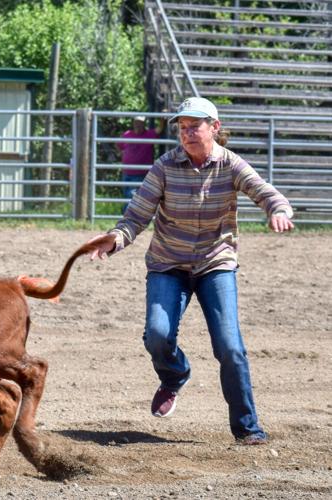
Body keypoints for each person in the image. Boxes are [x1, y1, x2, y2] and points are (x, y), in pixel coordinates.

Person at [84, 97, 293, 445]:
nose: (187, 133)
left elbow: (265, 193)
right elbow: (136, 215)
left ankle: (247, 428)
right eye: (183, 127)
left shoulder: (231, 165)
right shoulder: (164, 167)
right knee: (157, 335)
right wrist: (116, 239)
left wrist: (278, 210)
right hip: (168, 264)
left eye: (195, 126)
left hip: (215, 264)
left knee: (230, 347)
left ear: (215, 127)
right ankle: (174, 375)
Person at [117, 115, 164, 213]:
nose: (138, 124)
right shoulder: (127, 134)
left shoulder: (149, 134)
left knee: (132, 194)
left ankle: (128, 215)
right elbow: (118, 145)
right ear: (133, 123)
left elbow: (159, 129)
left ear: (144, 124)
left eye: (140, 122)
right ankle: (127, 213)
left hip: (139, 173)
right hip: (126, 171)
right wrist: (122, 154)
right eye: (136, 122)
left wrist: (162, 119)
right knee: (126, 194)